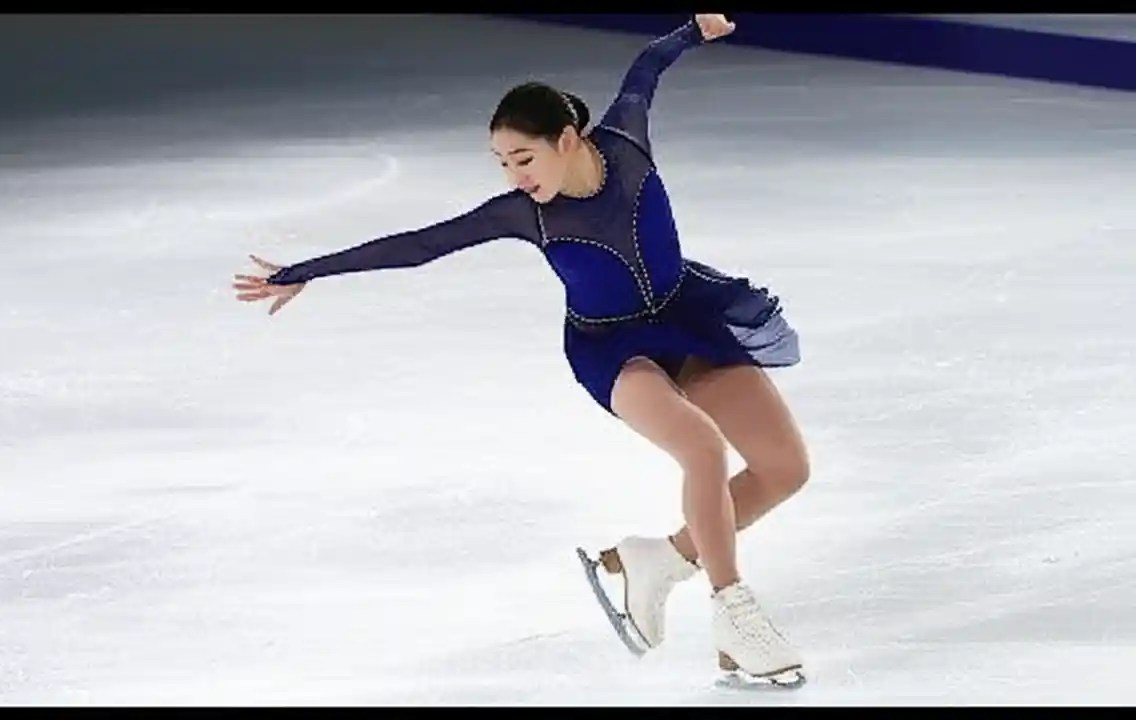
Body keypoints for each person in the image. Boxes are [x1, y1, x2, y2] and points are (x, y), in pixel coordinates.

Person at [233, 13, 810, 684]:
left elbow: (647, 68)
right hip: (612, 348)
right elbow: (420, 245)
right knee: (702, 448)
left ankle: (658, 560)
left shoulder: (627, 140)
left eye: (524, 159)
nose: (514, 176)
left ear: (567, 139)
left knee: (784, 468)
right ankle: (733, 611)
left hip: (687, 316)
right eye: (503, 163)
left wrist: (693, 30)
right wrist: (305, 270)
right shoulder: (526, 214)